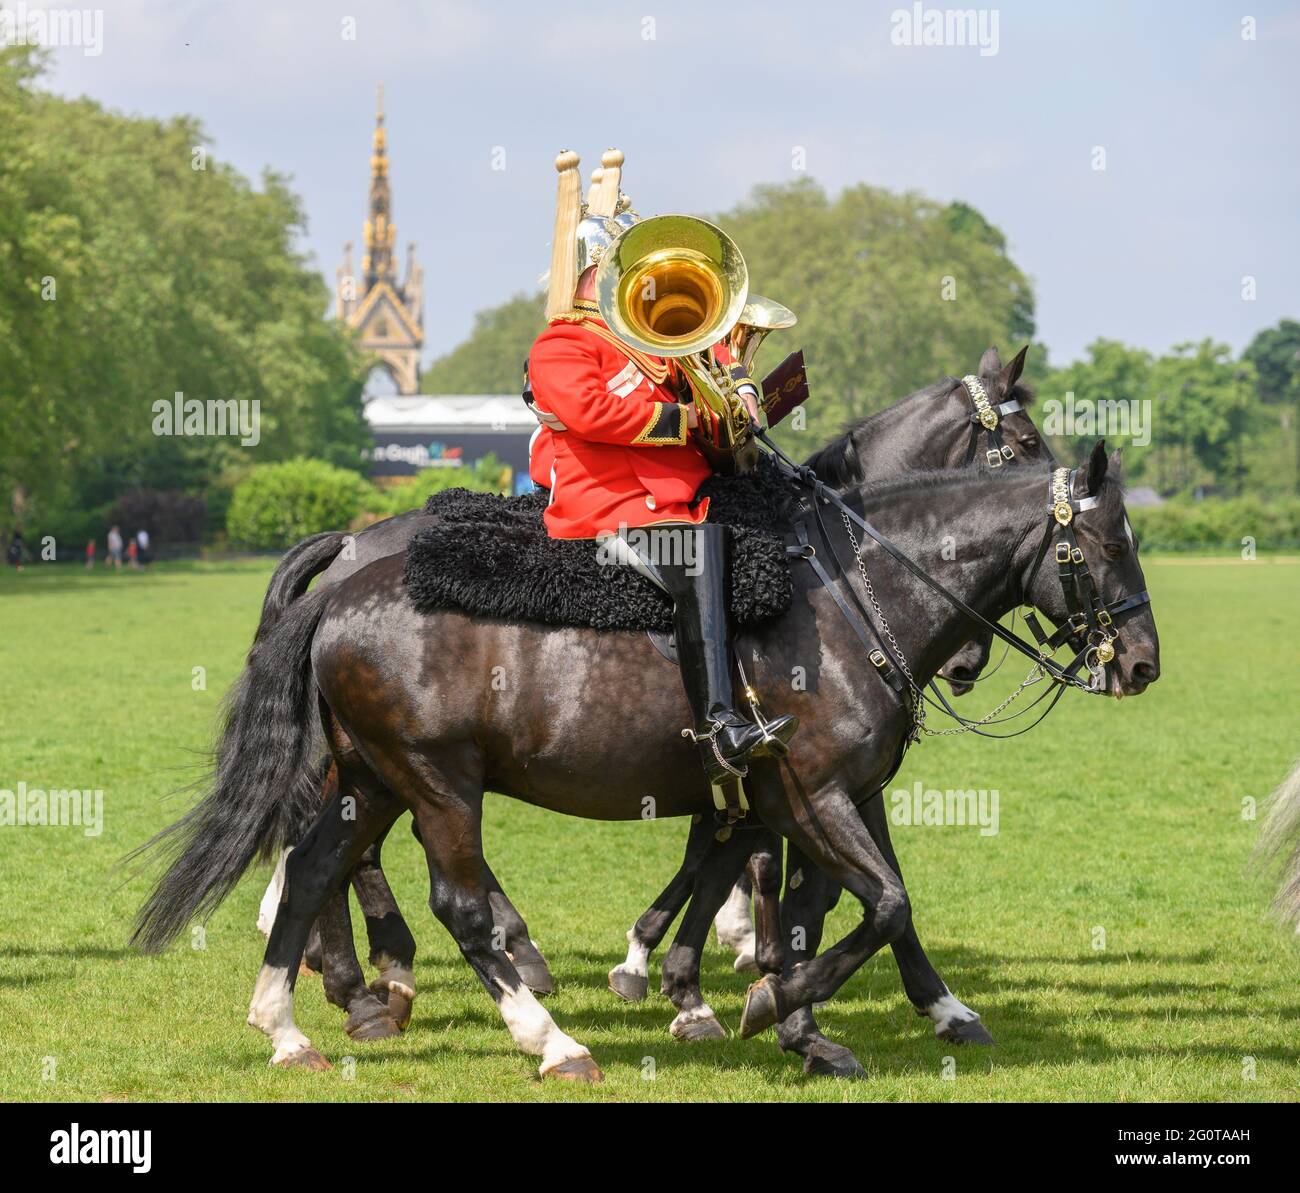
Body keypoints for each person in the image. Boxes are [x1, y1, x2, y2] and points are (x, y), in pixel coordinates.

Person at [524, 149, 796, 787]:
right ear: (587, 279)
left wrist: (738, 403)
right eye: (609, 273)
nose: (626, 287)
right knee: (697, 554)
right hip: (608, 510)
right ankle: (721, 730)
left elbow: (705, 394)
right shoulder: (561, 345)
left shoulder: (651, 346)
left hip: (682, 499)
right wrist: (683, 422)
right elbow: (591, 414)